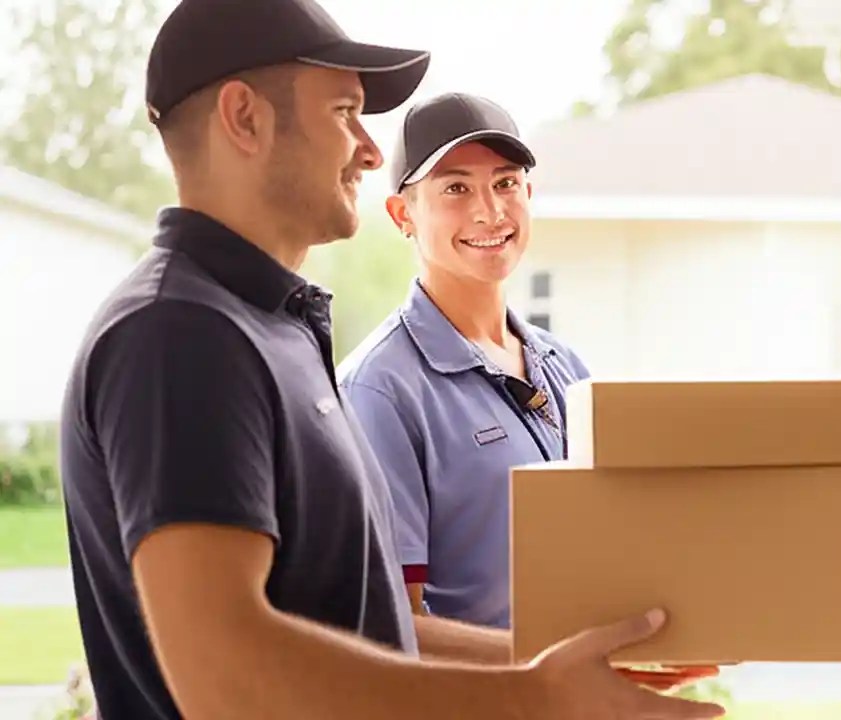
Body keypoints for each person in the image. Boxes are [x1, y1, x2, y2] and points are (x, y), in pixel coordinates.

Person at [57, 0, 724, 717]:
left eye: (505, 183)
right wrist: (533, 696)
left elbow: (367, 630)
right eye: (345, 112)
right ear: (245, 118)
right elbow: (224, 672)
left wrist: (557, 663)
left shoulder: (269, 329)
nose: (371, 152)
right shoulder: (179, 335)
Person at [337, 93, 720, 691]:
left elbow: (611, 554)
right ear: (401, 214)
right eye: (456, 189)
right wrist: (550, 671)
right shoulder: (380, 390)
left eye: (506, 183)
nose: (490, 212)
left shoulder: (565, 367)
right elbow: (388, 627)